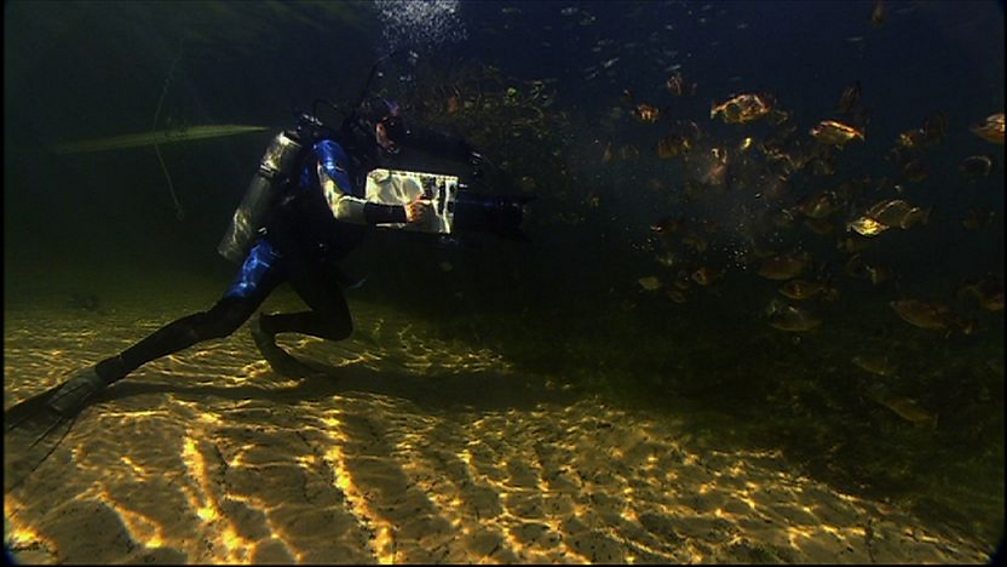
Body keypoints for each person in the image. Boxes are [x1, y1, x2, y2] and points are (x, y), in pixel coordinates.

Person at [41, 96, 490, 418]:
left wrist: (462, 150)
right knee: (219, 322)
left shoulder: (367, 154)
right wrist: (399, 212)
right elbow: (339, 206)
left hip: (311, 257)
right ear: (369, 125)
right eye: (390, 127)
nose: (398, 136)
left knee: (338, 327)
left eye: (399, 127)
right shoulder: (330, 150)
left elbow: (421, 142)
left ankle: (269, 327)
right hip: (278, 247)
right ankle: (109, 371)